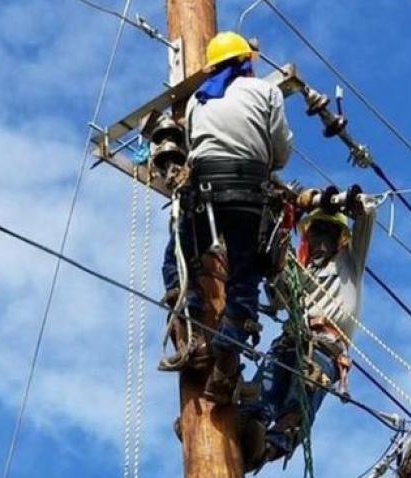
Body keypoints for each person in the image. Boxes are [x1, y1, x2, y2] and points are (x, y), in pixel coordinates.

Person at [158, 31, 293, 406]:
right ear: (246, 62)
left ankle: (192, 336)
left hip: (202, 194)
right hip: (249, 194)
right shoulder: (267, 92)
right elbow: (280, 154)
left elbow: (196, 147)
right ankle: (226, 362)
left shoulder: (197, 102)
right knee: (244, 278)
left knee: (179, 263)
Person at [240, 186, 377, 471]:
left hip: (324, 349)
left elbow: (368, 211)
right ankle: (241, 437)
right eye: (316, 232)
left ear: (340, 237)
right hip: (287, 343)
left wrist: (346, 202)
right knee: (255, 399)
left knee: (295, 413)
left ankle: (264, 449)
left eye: (328, 232)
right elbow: (277, 295)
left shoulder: (350, 264)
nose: (320, 239)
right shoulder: (298, 270)